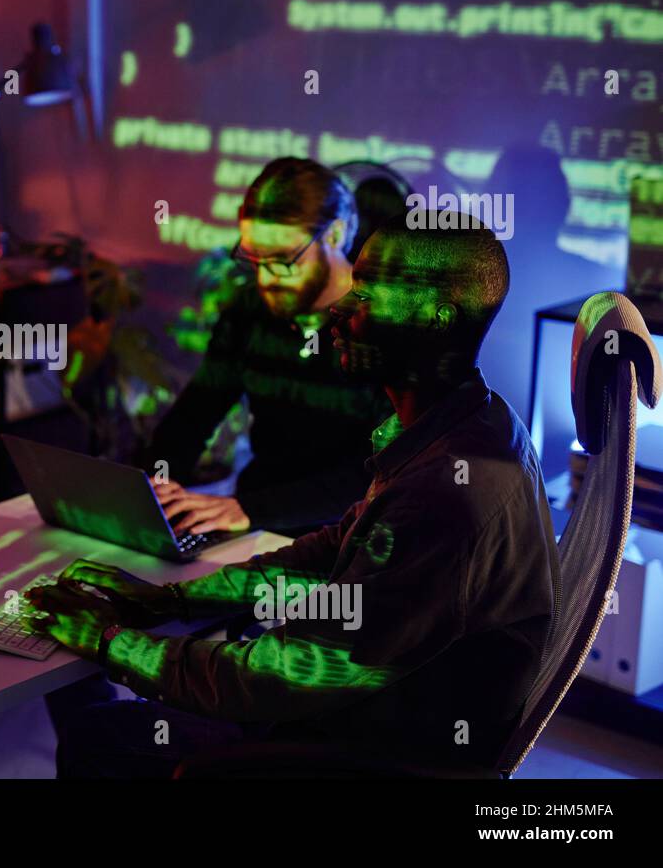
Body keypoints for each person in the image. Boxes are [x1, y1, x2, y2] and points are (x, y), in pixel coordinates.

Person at [32, 216, 557, 777]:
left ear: (436, 318)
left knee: (101, 737)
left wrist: (113, 642)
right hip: (363, 711)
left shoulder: (447, 494)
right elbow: (338, 549)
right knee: (102, 686)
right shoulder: (469, 420)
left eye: (367, 294)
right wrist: (173, 600)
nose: (339, 308)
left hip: (365, 751)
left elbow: (294, 674)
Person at [145, 158, 393, 539]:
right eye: (253, 258)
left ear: (335, 235)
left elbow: (383, 472)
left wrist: (249, 510)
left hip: (345, 537)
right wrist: (152, 491)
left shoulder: (385, 327)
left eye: (282, 261)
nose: (264, 279)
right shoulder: (249, 312)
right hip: (256, 524)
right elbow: (193, 416)